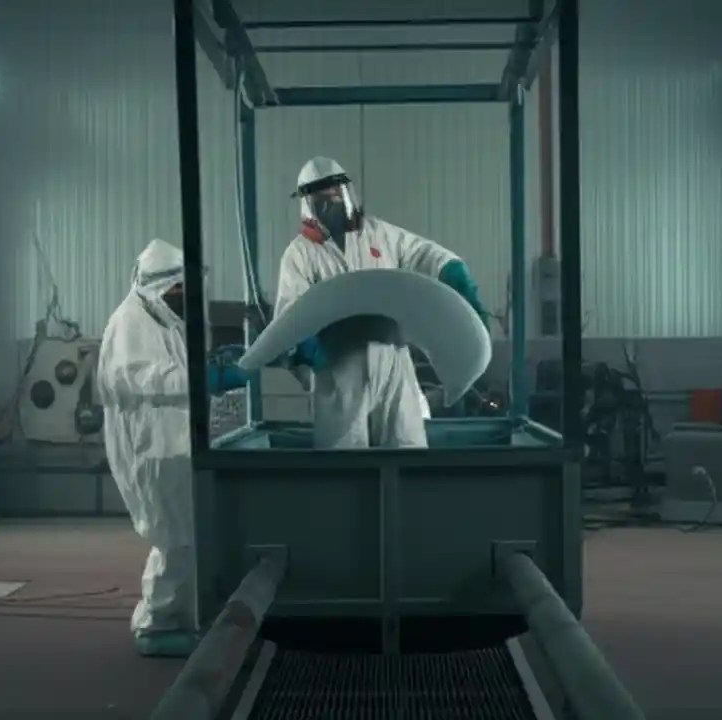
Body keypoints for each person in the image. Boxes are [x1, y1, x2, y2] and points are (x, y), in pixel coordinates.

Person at [98, 238, 251, 658]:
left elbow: (176, 369)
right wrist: (205, 378)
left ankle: (175, 614)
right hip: (152, 448)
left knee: (185, 534)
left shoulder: (163, 320)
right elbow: (140, 378)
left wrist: (213, 362)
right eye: (178, 290)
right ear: (156, 286)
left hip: (171, 442)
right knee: (176, 538)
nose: (183, 299)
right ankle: (157, 622)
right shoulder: (131, 321)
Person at [275, 156, 488, 449]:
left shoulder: (379, 235)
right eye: (322, 199)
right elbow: (290, 315)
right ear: (307, 204)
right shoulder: (300, 254)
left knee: (407, 446)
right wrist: (307, 351)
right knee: (345, 458)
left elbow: (425, 255)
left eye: (337, 195)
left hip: (393, 360)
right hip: (339, 367)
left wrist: (454, 274)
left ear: (348, 193)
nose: (333, 204)